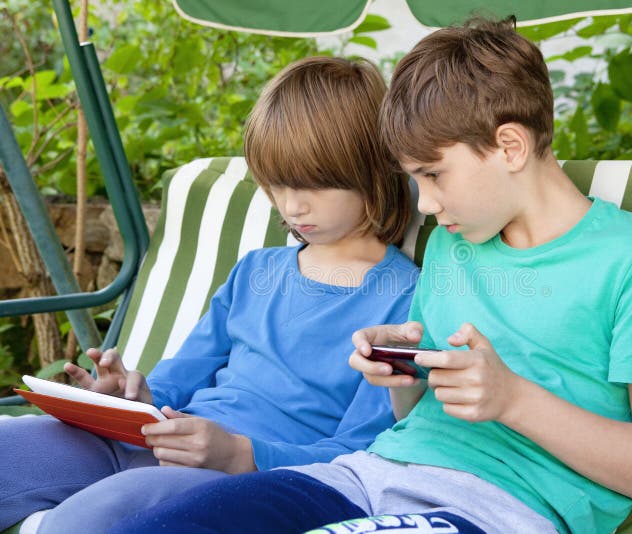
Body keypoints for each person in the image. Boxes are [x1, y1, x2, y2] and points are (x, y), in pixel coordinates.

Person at [110, 18, 632, 534]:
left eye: (433, 175)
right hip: (365, 477)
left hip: (494, 509)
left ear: (510, 146)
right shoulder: (453, 244)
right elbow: (411, 417)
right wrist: (400, 372)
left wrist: (513, 398)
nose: (420, 205)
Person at [0, 56, 419, 533]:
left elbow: (361, 453)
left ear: (374, 170)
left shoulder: (404, 304)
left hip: (233, 476)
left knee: (87, 520)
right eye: (277, 184)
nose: (291, 205)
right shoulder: (256, 271)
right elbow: (177, 381)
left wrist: (238, 453)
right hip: (154, 438)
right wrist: (131, 396)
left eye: (313, 186)